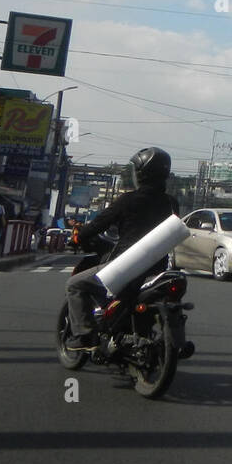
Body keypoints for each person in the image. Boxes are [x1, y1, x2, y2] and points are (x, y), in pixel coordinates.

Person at [64, 147, 179, 350]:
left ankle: (84, 336)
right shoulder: (171, 203)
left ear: (141, 174)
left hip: (125, 266)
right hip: (157, 269)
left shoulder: (128, 200)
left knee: (75, 285)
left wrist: (77, 238)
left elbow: (98, 224)